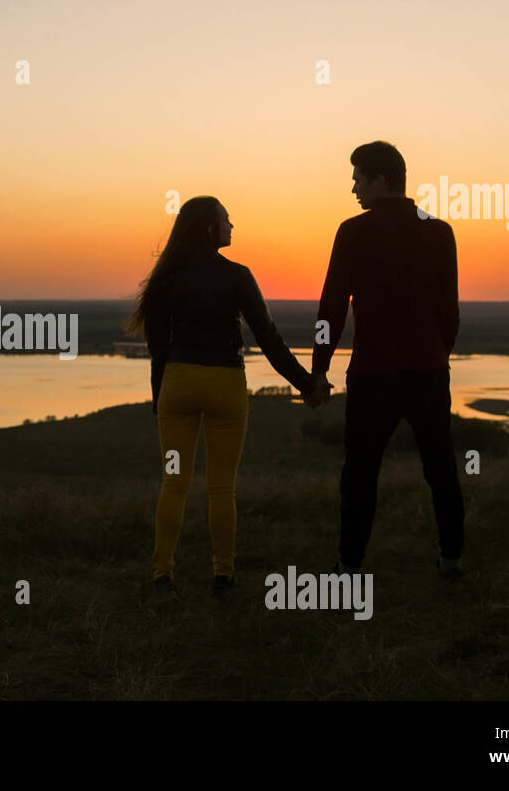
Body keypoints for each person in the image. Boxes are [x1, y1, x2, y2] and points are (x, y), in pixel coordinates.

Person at [125, 196, 330, 598]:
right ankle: (223, 573)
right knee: (222, 487)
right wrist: (307, 385)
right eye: (227, 221)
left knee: (174, 482)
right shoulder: (237, 276)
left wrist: (158, 398)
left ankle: (162, 572)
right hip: (224, 385)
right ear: (209, 229)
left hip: (178, 385)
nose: (233, 227)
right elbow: (269, 339)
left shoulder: (166, 277)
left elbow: (159, 349)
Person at [312, 141, 465, 580]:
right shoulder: (439, 231)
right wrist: (437, 354)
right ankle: (451, 560)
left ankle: (351, 567)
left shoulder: (353, 232)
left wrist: (320, 369)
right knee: (441, 466)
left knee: (360, 472)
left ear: (380, 181)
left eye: (358, 178)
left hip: (373, 373)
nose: (354, 188)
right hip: (427, 370)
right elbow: (449, 309)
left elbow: (332, 307)